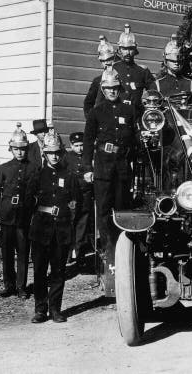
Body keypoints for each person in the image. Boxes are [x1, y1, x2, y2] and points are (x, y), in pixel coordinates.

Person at [82, 66, 138, 296]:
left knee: (122, 210)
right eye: (108, 89)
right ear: (103, 90)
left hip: (123, 169)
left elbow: (134, 140)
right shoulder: (96, 113)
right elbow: (88, 142)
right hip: (103, 169)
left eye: (116, 88)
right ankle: (107, 251)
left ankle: (124, 251)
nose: (113, 92)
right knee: (104, 212)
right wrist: (87, 168)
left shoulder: (129, 109)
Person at [28, 131, 81, 323]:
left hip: (62, 230)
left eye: (58, 152)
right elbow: (28, 203)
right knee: (40, 272)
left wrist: (69, 223)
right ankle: (40, 310)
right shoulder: (37, 175)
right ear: (45, 154)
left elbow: (77, 203)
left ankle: (55, 309)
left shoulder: (70, 176)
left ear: (62, 153)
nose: (55, 156)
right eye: (51, 153)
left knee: (58, 273)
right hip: (41, 230)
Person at [0, 123, 37, 299]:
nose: (19, 152)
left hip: (24, 219)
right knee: (7, 253)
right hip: (6, 217)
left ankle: (21, 287)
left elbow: (37, 194)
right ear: (10, 149)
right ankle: (9, 285)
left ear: (27, 149)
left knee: (23, 253)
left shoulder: (33, 168)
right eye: (16, 149)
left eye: (23, 149)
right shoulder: (4, 168)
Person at [64, 132, 94, 269]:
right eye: (76, 146)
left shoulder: (89, 157)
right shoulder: (66, 158)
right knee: (70, 226)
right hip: (71, 199)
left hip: (86, 197)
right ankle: (67, 256)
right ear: (71, 145)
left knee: (82, 228)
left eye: (82, 145)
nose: (80, 148)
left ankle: (81, 257)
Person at [112, 24, 156, 113]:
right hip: (115, 114)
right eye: (124, 49)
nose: (127, 52)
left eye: (130, 49)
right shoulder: (113, 69)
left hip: (136, 115)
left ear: (135, 50)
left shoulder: (143, 71)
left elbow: (154, 93)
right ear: (119, 50)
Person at [83, 35, 120, 119]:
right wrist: (91, 120)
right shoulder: (97, 81)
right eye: (103, 61)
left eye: (109, 60)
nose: (106, 63)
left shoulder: (119, 78)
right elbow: (88, 103)